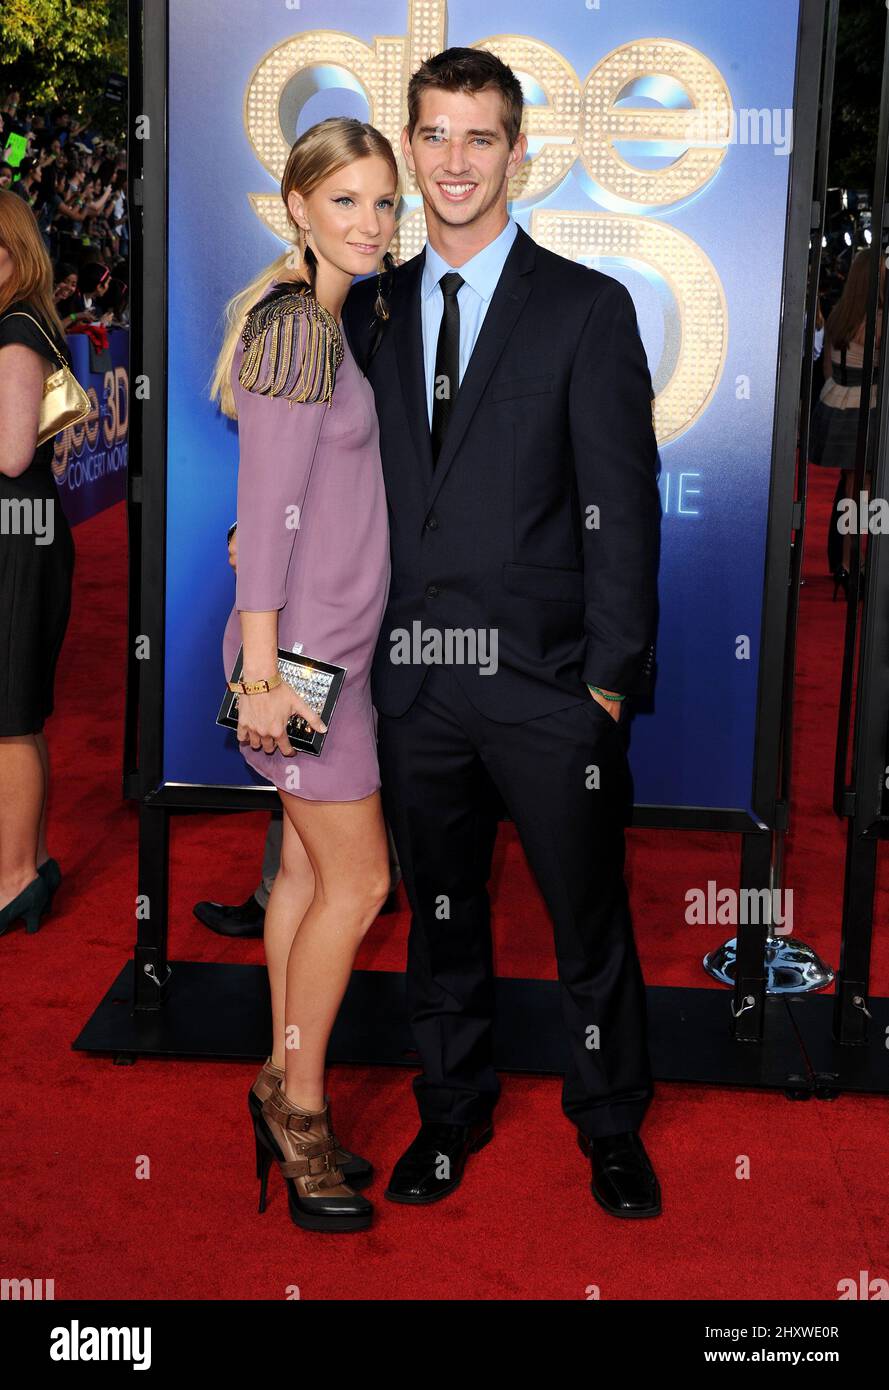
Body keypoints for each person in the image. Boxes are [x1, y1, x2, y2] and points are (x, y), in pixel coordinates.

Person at [342, 48, 662, 1219]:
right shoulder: (367, 307)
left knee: (587, 919)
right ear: (409, 145)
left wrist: (607, 686)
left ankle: (610, 1122)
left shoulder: (585, 307)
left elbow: (622, 508)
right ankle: (450, 1108)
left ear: (517, 153)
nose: (456, 159)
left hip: (547, 683)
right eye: (435, 134)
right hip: (415, 681)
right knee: (440, 915)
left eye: (480, 136)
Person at [211, 116, 398, 1232]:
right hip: (303, 667)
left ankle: (277, 1079)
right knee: (360, 884)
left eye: (383, 202)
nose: (369, 223)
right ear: (297, 206)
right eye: (344, 201)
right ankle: (302, 1113)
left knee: (298, 878)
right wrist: (263, 675)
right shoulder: (296, 330)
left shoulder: (319, 319)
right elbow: (263, 508)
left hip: (323, 655)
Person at [0, 191, 77, 934]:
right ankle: (31, 863)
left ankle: (15, 877)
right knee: (14, 713)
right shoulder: (19, 324)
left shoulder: (16, 330)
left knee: (9, 716)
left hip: (17, 542)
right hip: (19, 536)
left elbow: (11, 452)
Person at [811, 247, 885, 597]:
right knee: (868, 492)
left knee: (853, 487)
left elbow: (827, 369)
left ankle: (845, 561)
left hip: (837, 403)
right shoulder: (879, 320)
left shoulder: (840, 314)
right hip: (867, 408)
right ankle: (858, 561)